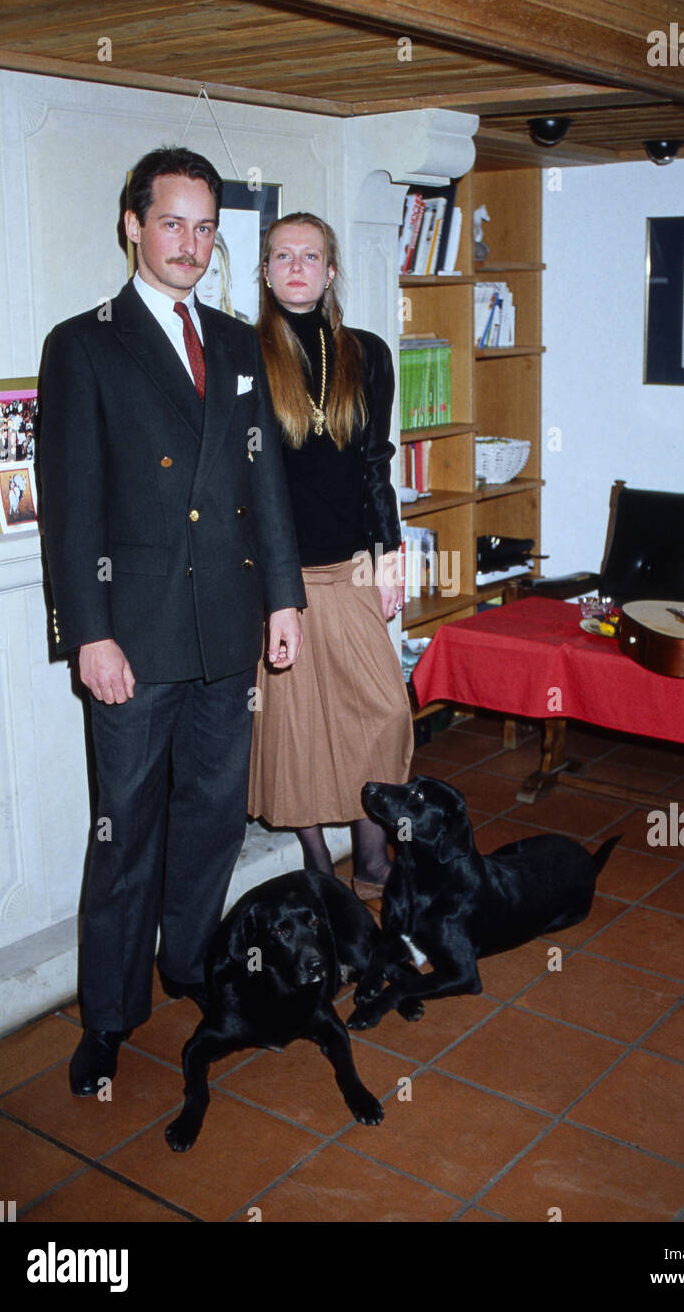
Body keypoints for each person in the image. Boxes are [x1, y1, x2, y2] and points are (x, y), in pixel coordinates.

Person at [38, 146, 306, 1097]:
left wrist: (284, 598)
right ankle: (109, 1015)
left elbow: (262, 481)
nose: (189, 244)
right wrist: (90, 634)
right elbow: (71, 509)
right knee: (125, 832)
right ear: (132, 226)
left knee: (210, 819)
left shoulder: (239, 342)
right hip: (133, 635)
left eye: (204, 227)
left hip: (226, 628)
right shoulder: (85, 343)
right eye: (172, 224)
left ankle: (190, 962)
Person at [247, 212, 413, 898]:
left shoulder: (367, 353)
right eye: (281, 255)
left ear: (330, 269)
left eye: (309, 256)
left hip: (348, 567)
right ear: (264, 271)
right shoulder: (241, 352)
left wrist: (389, 555)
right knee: (295, 730)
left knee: (384, 712)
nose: (295, 267)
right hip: (276, 575)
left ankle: (371, 861)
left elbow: (375, 463)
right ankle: (321, 869)